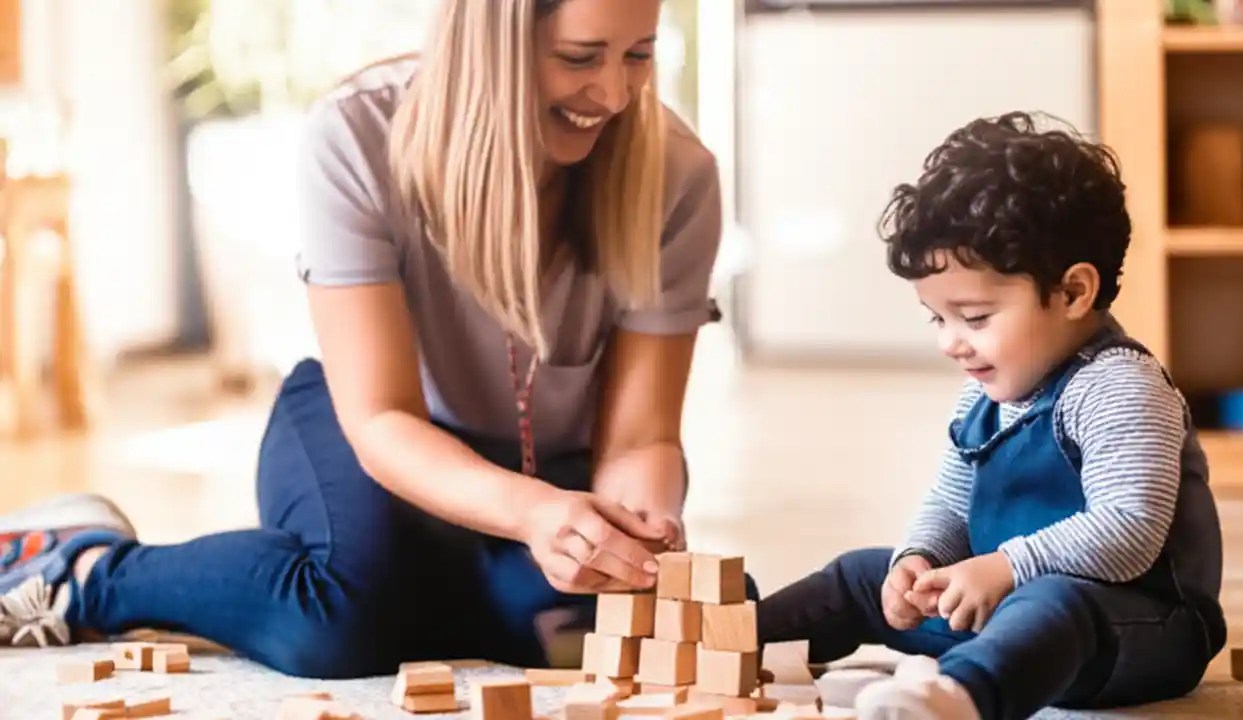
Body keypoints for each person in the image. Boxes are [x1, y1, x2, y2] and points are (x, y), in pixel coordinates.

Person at [0, 0, 737, 679]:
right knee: (337, 624)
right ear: (493, 41)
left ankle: (437, 593)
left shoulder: (678, 174)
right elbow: (380, 418)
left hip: (544, 465)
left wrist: (639, 542)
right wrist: (532, 515)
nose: (612, 94)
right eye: (580, 58)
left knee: (624, 628)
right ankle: (87, 567)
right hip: (373, 435)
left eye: (639, 55)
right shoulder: (358, 134)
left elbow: (642, 437)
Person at [756, 112, 1228, 720]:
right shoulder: (988, 393)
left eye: (975, 318)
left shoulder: (1118, 386)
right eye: (938, 319)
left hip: (1135, 629)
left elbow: (1128, 531)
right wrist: (918, 560)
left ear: (1073, 292)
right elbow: (951, 504)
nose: (950, 342)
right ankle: (726, 636)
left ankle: (959, 697)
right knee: (860, 576)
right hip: (1005, 606)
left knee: (1053, 604)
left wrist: (1007, 567)